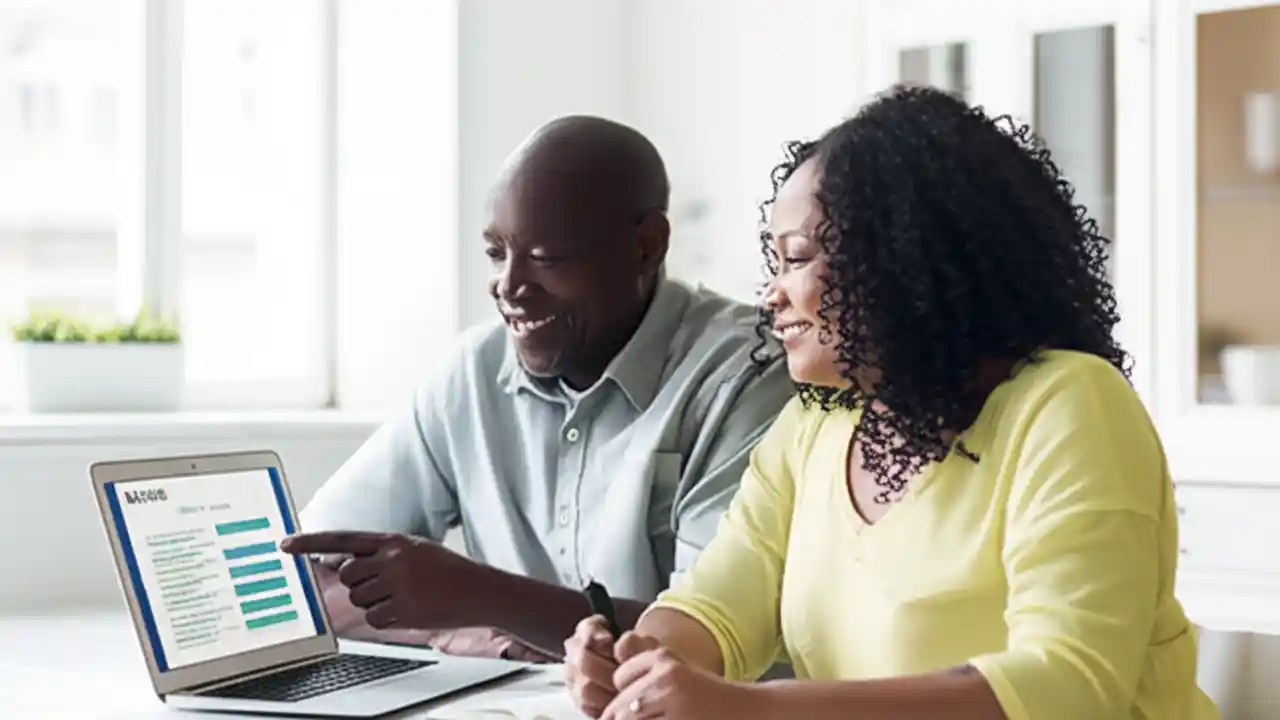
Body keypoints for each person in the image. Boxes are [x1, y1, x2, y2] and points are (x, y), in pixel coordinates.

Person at [564, 86, 1221, 719]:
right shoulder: (815, 427)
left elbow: (1065, 687)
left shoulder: (1068, 405)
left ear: (899, 259)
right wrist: (645, 662)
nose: (773, 294)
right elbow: (717, 606)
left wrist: (752, 709)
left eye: (796, 259)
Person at [281, 116, 792, 661]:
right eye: (498, 253)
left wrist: (478, 595)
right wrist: (460, 630)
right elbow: (309, 574)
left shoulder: (749, 375)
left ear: (647, 246)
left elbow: (711, 635)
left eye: (547, 259)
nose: (509, 288)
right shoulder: (470, 376)